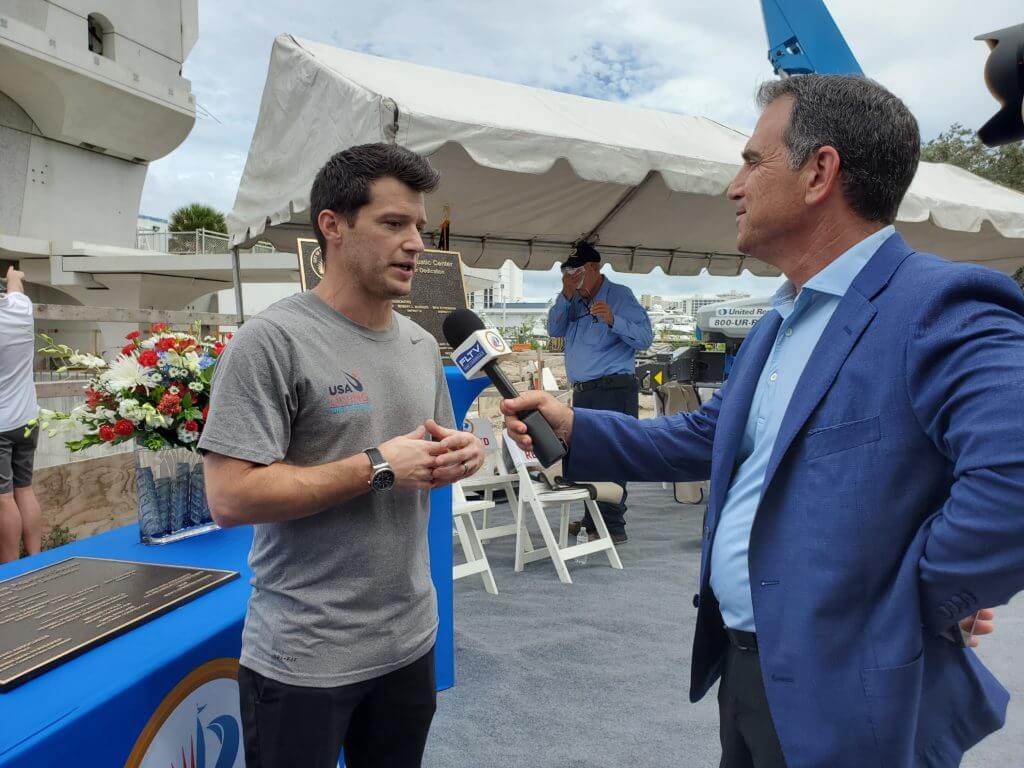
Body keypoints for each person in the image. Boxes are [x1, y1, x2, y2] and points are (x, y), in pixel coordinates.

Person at [503, 74, 1018, 768]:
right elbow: (706, 437)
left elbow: (1013, 481)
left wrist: (913, 606)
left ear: (819, 173)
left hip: (851, 691)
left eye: (751, 161)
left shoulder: (941, 304)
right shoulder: (781, 321)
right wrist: (575, 429)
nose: (733, 186)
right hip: (745, 668)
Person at [200, 143, 484, 768]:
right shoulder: (270, 341)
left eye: (417, 225)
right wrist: (377, 466)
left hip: (410, 640)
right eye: (393, 224)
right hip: (304, 655)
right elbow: (229, 497)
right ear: (333, 225)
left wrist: (461, 456)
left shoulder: (417, 344)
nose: (415, 243)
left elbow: (425, 457)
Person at [548, 240, 652, 543]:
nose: (574, 280)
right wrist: (566, 295)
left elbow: (645, 338)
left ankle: (612, 526)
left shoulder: (620, 296)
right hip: (584, 392)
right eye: (568, 275)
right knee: (586, 456)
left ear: (594, 268)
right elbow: (554, 330)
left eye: (578, 274)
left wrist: (613, 320)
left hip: (612, 388)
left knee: (611, 454)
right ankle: (593, 518)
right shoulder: (572, 300)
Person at [0, 266, 42, 563]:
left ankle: (9, 572)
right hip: (27, 419)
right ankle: (35, 560)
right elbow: (16, 287)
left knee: (3, 500)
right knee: (24, 489)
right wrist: (13, 276)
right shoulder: (19, 310)